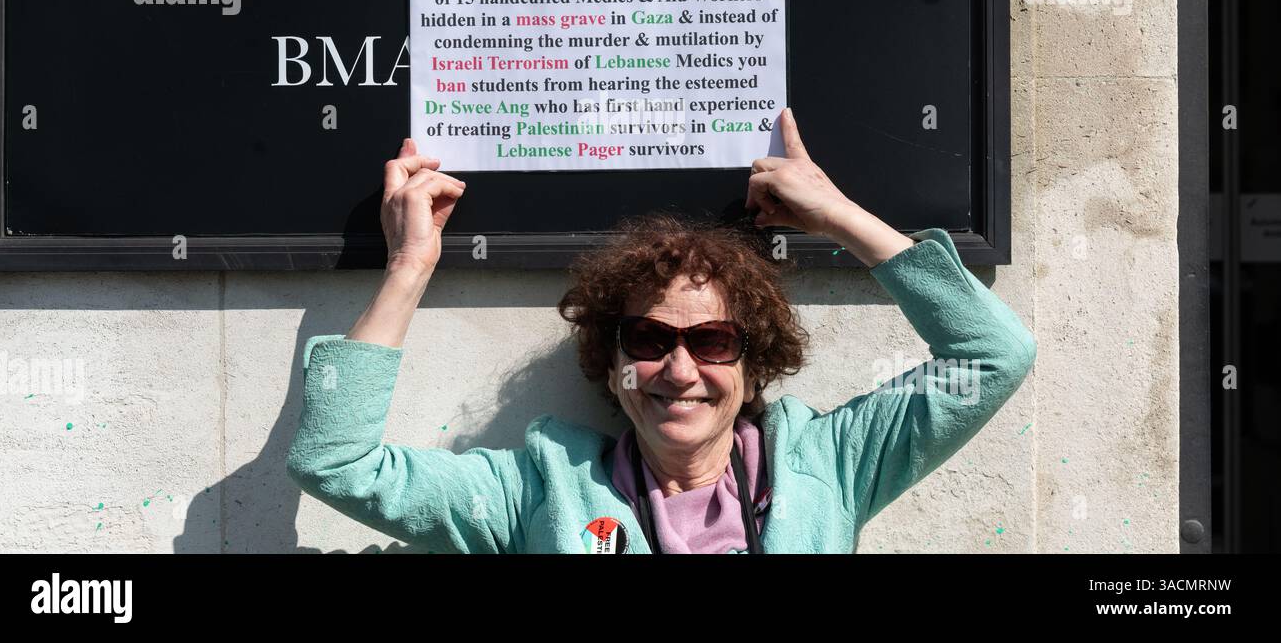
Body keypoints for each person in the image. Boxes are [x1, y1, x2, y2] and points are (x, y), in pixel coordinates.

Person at [286, 108, 1037, 553]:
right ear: (612, 363)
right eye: (648, 341)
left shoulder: (832, 466)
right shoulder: (536, 494)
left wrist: (838, 215)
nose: (680, 370)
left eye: (713, 342)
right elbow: (336, 463)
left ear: (752, 364)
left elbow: (993, 355)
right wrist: (411, 265)